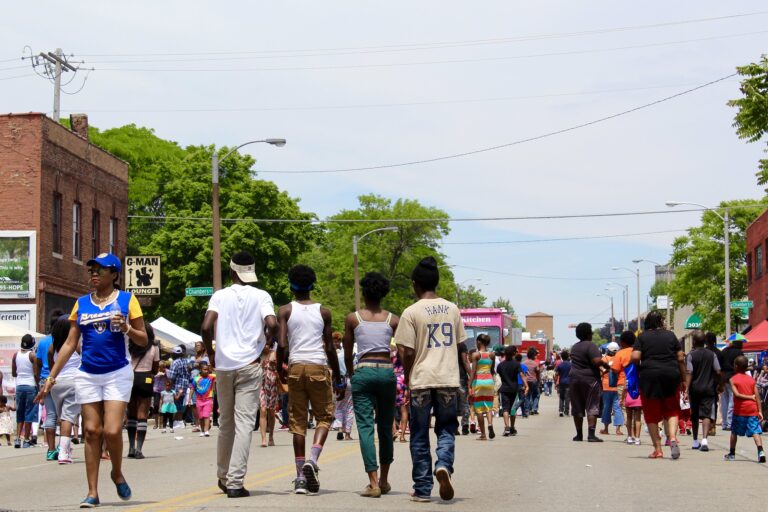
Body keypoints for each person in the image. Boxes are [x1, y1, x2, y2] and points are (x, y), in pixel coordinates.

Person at [37, 252, 149, 507]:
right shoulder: (82, 303)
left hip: (117, 373)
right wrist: (50, 378)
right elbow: (69, 343)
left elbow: (143, 339)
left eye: (100, 269)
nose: (94, 274)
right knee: (91, 431)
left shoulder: (127, 300)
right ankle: (92, 492)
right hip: (88, 374)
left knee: (111, 430)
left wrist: (128, 329)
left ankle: (117, 472)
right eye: (92, 270)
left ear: (114, 274)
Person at [201, 251, 277, 498]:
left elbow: (205, 326)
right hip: (250, 364)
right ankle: (235, 482)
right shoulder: (261, 295)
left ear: (231, 271)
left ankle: (223, 476)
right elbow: (273, 323)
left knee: (225, 423)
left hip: (223, 366)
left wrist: (212, 355)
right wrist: (267, 343)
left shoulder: (219, 296)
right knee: (245, 424)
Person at [395, 256, 466, 503]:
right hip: (447, 379)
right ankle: (443, 464)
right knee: (446, 428)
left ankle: (423, 489)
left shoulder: (411, 312)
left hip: (422, 379)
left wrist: (407, 376)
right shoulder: (452, 309)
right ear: (436, 282)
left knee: (419, 433)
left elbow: (406, 352)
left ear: (415, 284)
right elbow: (460, 347)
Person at [276, 264, 343, 495]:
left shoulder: (285, 310)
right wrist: (339, 376)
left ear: (291, 285)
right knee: (324, 416)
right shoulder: (323, 312)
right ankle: (312, 460)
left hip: (295, 367)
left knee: (297, 422)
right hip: (318, 367)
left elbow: (282, 344)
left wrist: (279, 368)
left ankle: (300, 479)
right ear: (312, 285)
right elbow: (330, 348)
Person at [343, 271, 399, 498]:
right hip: (386, 373)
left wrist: (350, 374)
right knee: (386, 428)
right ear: (383, 293)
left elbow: (348, 352)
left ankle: (373, 483)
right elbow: (403, 351)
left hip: (363, 372)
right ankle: (385, 480)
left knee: (366, 427)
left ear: (364, 292)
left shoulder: (353, 319)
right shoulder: (393, 320)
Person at [631, 311, 686, 460]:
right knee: (672, 409)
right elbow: (680, 357)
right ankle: (673, 437)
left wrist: (639, 365)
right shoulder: (670, 335)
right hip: (671, 375)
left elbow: (635, 357)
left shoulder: (642, 337)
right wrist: (684, 379)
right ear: (661, 322)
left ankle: (658, 449)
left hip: (650, 376)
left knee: (651, 413)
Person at [47, 315, 82, 464]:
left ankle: (63, 447)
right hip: (73, 382)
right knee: (69, 417)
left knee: (63, 418)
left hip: (57, 383)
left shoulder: (53, 347)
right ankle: (64, 452)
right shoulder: (77, 345)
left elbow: (51, 366)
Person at [569, 323, 609, 442]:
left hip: (574, 379)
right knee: (592, 406)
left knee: (577, 406)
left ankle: (579, 434)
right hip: (590, 379)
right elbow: (596, 361)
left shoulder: (575, 347)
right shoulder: (591, 345)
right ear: (588, 334)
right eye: (591, 332)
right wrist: (606, 365)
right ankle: (591, 435)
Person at [126, 323, 159, 460]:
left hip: (130, 377)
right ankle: (139, 449)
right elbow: (155, 369)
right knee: (142, 415)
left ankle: (131, 447)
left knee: (131, 414)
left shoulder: (130, 345)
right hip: (146, 378)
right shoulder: (154, 347)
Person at [35, 309, 65, 460]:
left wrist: (38, 381)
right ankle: (63, 446)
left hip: (45, 379)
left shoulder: (43, 342)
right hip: (60, 379)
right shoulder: (66, 340)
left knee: (51, 415)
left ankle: (51, 450)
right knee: (64, 415)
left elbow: (37, 362)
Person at [724, 356, 765, 463]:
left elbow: (736, 394)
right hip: (752, 409)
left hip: (740, 410)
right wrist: (759, 410)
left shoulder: (733, 379)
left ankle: (732, 453)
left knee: (734, 432)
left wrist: (749, 397)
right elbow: (757, 396)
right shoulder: (751, 380)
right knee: (756, 431)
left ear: (736, 366)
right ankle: (761, 452)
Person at [685, 331, 721, 452]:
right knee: (706, 414)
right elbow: (718, 370)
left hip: (694, 389)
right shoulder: (712, 355)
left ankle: (695, 441)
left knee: (694, 415)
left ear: (694, 342)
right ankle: (705, 439)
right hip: (709, 388)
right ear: (704, 341)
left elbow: (689, 372)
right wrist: (719, 384)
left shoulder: (690, 355)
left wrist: (686, 388)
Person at [12, 334, 37, 449]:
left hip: (19, 386)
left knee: (20, 413)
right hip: (31, 385)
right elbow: (36, 373)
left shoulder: (15, 355)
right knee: (29, 413)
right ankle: (26, 440)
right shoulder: (32, 355)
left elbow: (14, 373)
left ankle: (17, 438)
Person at [612, 331, 637, 443]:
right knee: (638, 410)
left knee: (626, 410)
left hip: (623, 383)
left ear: (622, 342)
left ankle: (630, 435)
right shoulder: (637, 352)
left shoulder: (620, 353)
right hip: (637, 383)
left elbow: (616, 369)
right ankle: (637, 436)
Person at [497, 345, 528, 436]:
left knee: (505, 408)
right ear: (514, 353)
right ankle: (512, 428)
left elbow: (497, 377)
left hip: (504, 389)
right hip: (514, 389)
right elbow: (522, 375)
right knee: (513, 409)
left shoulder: (500, 365)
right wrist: (526, 386)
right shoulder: (516, 364)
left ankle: (507, 427)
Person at [470, 334, 496, 440]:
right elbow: (492, 370)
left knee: (479, 409)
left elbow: (473, 371)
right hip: (489, 382)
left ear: (479, 342)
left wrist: (470, 385)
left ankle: (483, 434)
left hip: (479, 382)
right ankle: (490, 424)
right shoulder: (492, 355)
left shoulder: (476, 355)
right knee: (489, 407)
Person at [332, 332, 354, 441]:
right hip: (350, 381)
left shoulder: (338, 355)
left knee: (339, 406)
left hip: (338, 382)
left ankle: (340, 428)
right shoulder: (353, 356)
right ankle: (348, 434)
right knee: (349, 408)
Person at [599, 342, 624, 436]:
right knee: (618, 408)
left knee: (606, 408)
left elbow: (600, 373)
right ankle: (618, 430)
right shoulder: (619, 359)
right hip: (618, 387)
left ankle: (606, 429)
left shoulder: (604, 359)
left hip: (606, 387)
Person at [720, 339, 744, 431]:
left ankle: (724, 423)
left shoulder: (724, 351)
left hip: (723, 377)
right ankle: (730, 423)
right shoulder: (739, 352)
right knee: (732, 399)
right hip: (734, 377)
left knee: (724, 401)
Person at [166, 345, 191, 429]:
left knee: (176, 404)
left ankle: (178, 421)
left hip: (177, 385)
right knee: (180, 404)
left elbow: (171, 376)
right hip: (185, 385)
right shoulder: (186, 361)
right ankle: (179, 421)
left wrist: (168, 386)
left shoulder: (175, 362)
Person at [259, 346, 278, 447]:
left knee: (271, 412)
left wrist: (276, 364)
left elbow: (283, 366)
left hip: (272, 385)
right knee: (262, 410)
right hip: (261, 385)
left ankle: (271, 436)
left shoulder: (274, 353)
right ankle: (263, 439)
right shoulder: (257, 353)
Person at [392, 344, 409, 442]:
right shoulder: (406, 356)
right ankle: (402, 436)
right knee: (404, 410)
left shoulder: (391, 355)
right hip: (403, 380)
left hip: (393, 379)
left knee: (391, 409)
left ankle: (394, 431)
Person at [456, 337, 472, 435]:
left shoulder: (448, 344)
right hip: (461, 376)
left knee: (451, 403)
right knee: (464, 402)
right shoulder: (462, 345)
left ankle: (453, 427)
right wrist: (471, 375)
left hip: (448, 376)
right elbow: (465, 361)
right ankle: (465, 425)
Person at [524, 348, 541, 415]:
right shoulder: (535, 364)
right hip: (533, 381)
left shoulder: (524, 363)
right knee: (536, 395)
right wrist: (539, 382)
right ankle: (534, 409)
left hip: (526, 381)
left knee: (527, 396)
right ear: (533, 355)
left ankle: (527, 410)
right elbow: (538, 374)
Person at [151, 361, 168, 429]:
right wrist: (156, 375)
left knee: (162, 407)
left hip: (163, 391)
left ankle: (161, 423)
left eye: (163, 367)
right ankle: (156, 423)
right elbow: (151, 378)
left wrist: (165, 373)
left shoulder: (167, 372)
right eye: (161, 367)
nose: (162, 368)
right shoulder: (155, 372)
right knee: (156, 406)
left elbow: (170, 378)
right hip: (156, 391)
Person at [555, 350, 571, 417]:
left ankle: (561, 410)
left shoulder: (560, 365)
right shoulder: (571, 365)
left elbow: (556, 374)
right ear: (567, 356)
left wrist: (556, 382)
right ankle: (566, 411)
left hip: (561, 382)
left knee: (561, 397)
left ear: (561, 357)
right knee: (567, 397)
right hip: (569, 382)